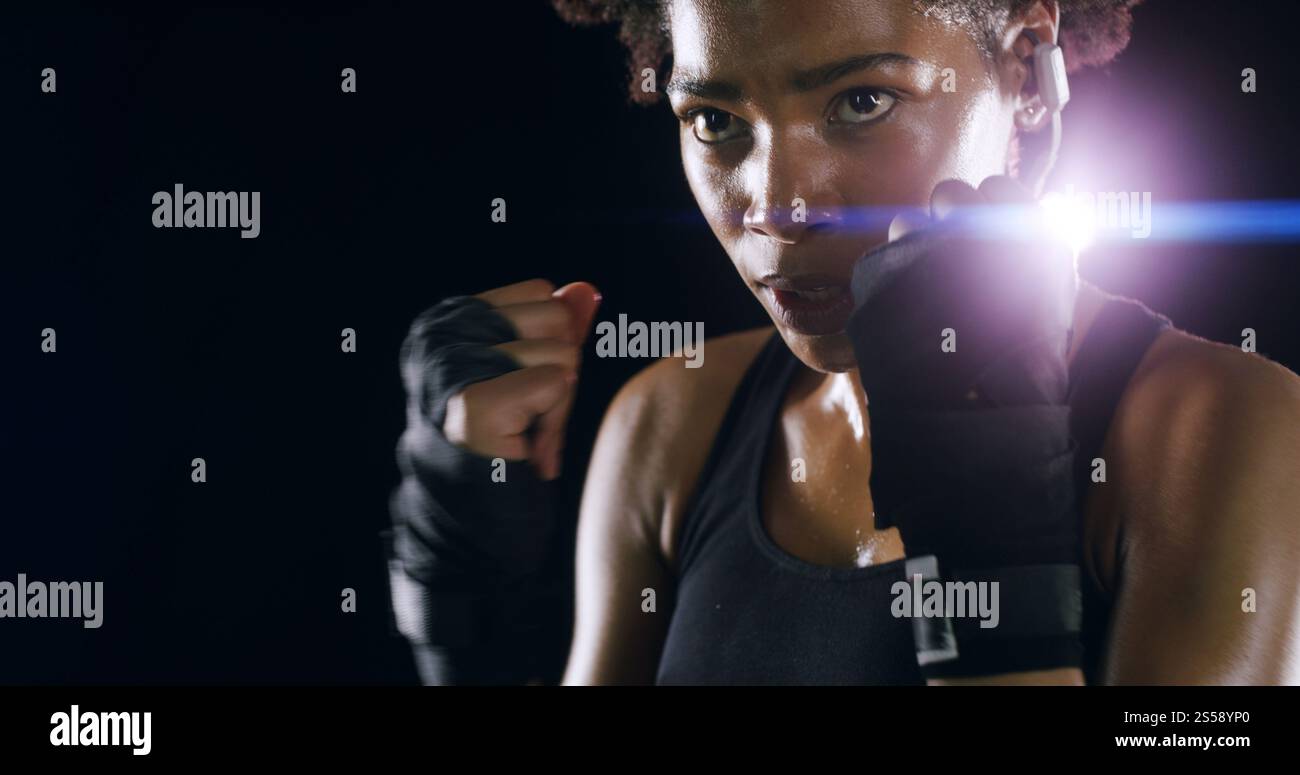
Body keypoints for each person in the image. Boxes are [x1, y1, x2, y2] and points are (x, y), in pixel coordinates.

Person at [388, 0, 1300, 685]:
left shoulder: (1228, 433)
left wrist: (991, 553)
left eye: (861, 100)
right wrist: (461, 595)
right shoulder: (672, 423)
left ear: (1025, 74)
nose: (779, 203)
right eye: (715, 121)